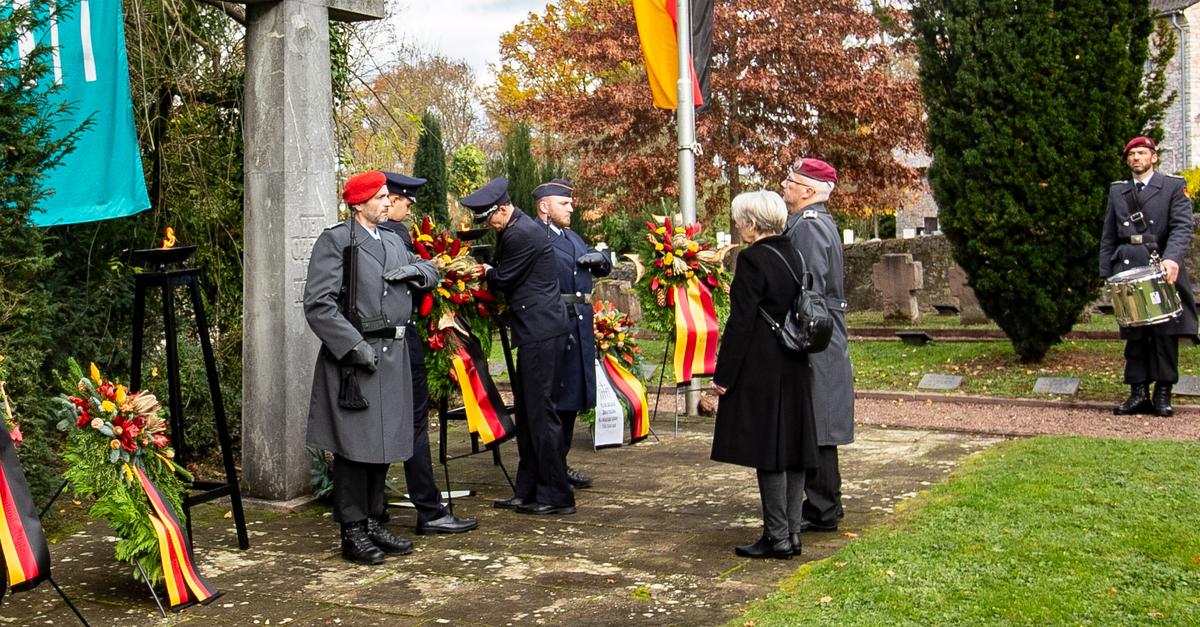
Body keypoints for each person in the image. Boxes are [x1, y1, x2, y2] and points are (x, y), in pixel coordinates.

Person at [304, 170, 439, 564]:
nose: (387, 202)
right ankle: (352, 530)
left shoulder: (394, 241)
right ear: (359, 203)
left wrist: (418, 271)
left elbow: (430, 269)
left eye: (386, 196)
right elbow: (319, 304)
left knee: (384, 444)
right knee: (355, 447)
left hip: (393, 356)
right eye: (380, 197)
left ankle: (374, 520)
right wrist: (353, 347)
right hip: (358, 357)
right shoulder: (337, 240)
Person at [710, 190, 819, 559]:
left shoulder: (752, 259)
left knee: (769, 451)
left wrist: (722, 376)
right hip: (795, 361)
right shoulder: (794, 252)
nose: (738, 226)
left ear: (753, 223)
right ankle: (791, 533)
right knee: (793, 447)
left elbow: (740, 323)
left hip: (762, 366)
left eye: (740, 220)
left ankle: (776, 537)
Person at [462, 177, 576, 515]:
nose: (488, 226)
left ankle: (556, 495)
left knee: (541, 415)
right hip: (535, 331)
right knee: (529, 415)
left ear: (502, 209)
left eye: (488, 219)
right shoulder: (515, 228)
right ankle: (528, 490)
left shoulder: (521, 233)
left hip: (541, 332)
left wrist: (484, 271)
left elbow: (505, 279)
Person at [380, 171, 478, 535]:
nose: (407, 208)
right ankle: (429, 509)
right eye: (404, 201)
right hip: (402, 343)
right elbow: (414, 283)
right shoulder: (393, 236)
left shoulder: (369, 234)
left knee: (387, 425)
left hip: (385, 344)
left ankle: (375, 507)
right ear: (389, 199)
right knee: (414, 425)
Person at [779, 158, 854, 533]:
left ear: (808, 190)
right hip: (825, 328)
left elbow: (807, 288)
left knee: (819, 417)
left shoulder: (808, 227)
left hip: (816, 332)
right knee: (819, 414)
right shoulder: (814, 223)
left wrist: (793, 333)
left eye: (790, 180)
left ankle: (823, 507)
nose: (784, 185)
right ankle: (826, 502)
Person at [1099, 136, 1197, 417]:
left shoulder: (1173, 187)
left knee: (1165, 333)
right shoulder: (1118, 192)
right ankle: (1137, 392)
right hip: (1128, 267)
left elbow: (1181, 226)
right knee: (1135, 335)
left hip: (1161, 266)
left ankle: (1163, 393)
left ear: (1154, 157)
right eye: (1131, 154)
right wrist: (1107, 272)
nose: (1136, 158)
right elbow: (1109, 234)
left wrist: (1172, 258)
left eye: (1142, 153)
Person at [532, 178, 612, 489]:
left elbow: (593, 256)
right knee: (554, 403)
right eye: (564, 203)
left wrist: (601, 260)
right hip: (555, 325)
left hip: (578, 326)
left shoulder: (570, 236)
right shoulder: (535, 237)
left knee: (571, 401)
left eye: (570, 202)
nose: (571, 207)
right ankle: (549, 470)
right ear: (544, 207)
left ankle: (560, 463)